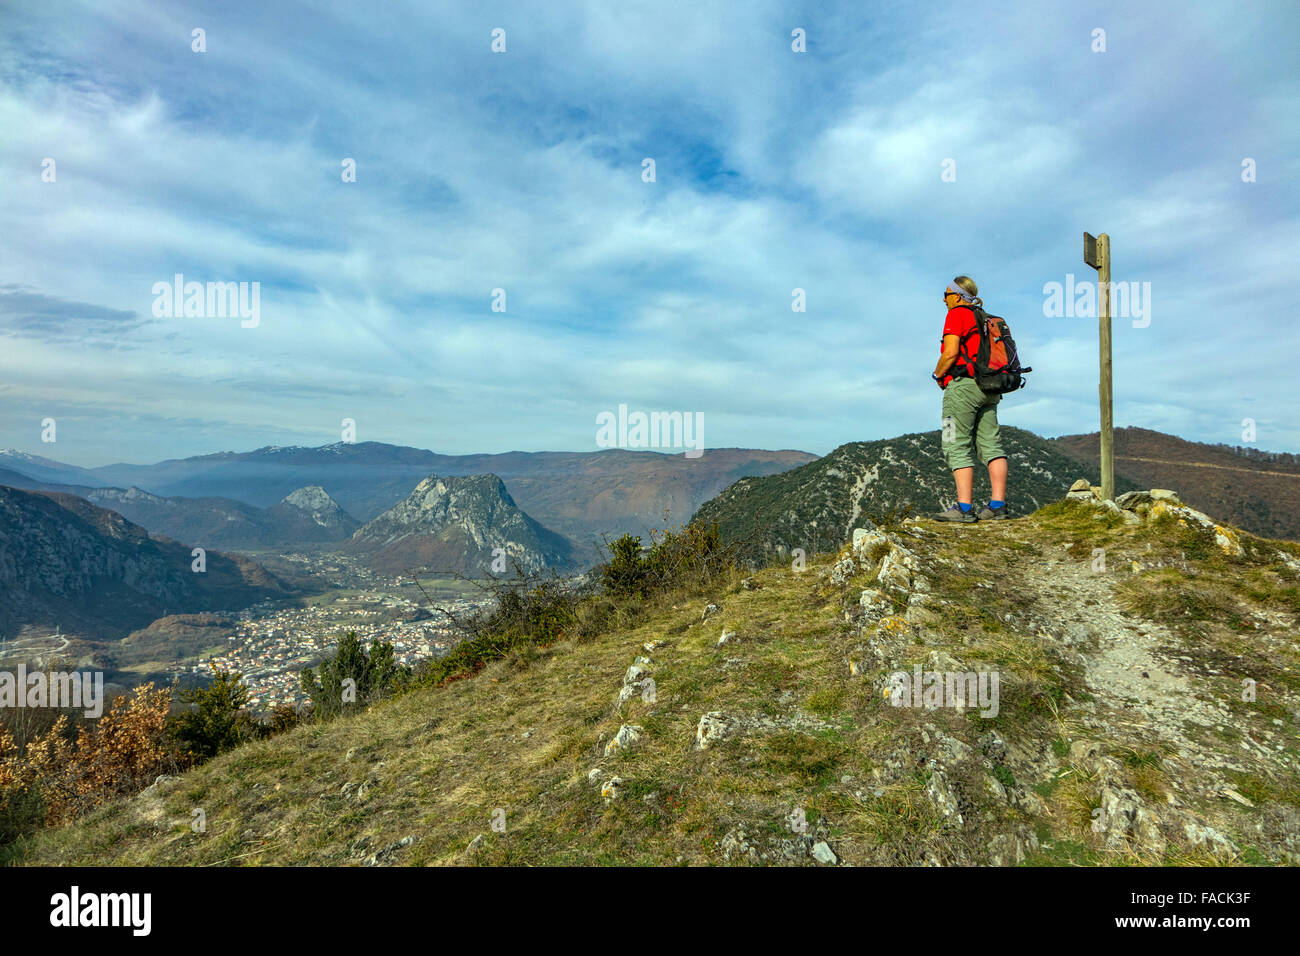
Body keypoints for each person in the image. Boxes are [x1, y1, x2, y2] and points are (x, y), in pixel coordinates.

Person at [930, 276, 1008, 522]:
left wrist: (937, 374)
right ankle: (998, 506)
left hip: (963, 387)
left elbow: (951, 352)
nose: (943, 299)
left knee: (954, 442)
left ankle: (964, 509)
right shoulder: (984, 318)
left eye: (946, 294)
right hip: (990, 388)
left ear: (957, 295)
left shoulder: (957, 315)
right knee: (991, 445)